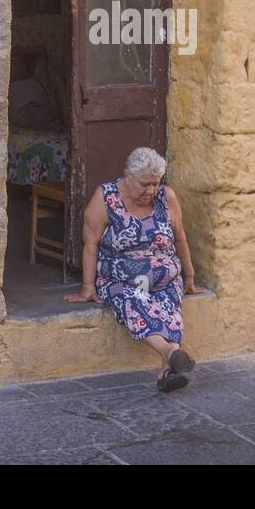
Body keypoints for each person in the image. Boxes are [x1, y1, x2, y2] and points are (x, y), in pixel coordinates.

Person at [64, 146, 198, 391]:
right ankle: (171, 352)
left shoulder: (166, 197)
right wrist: (87, 286)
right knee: (135, 304)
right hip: (122, 280)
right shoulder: (105, 197)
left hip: (165, 277)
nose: (151, 190)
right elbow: (91, 242)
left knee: (170, 310)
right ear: (128, 177)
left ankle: (166, 372)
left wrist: (188, 275)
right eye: (144, 184)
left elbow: (180, 237)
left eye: (155, 184)